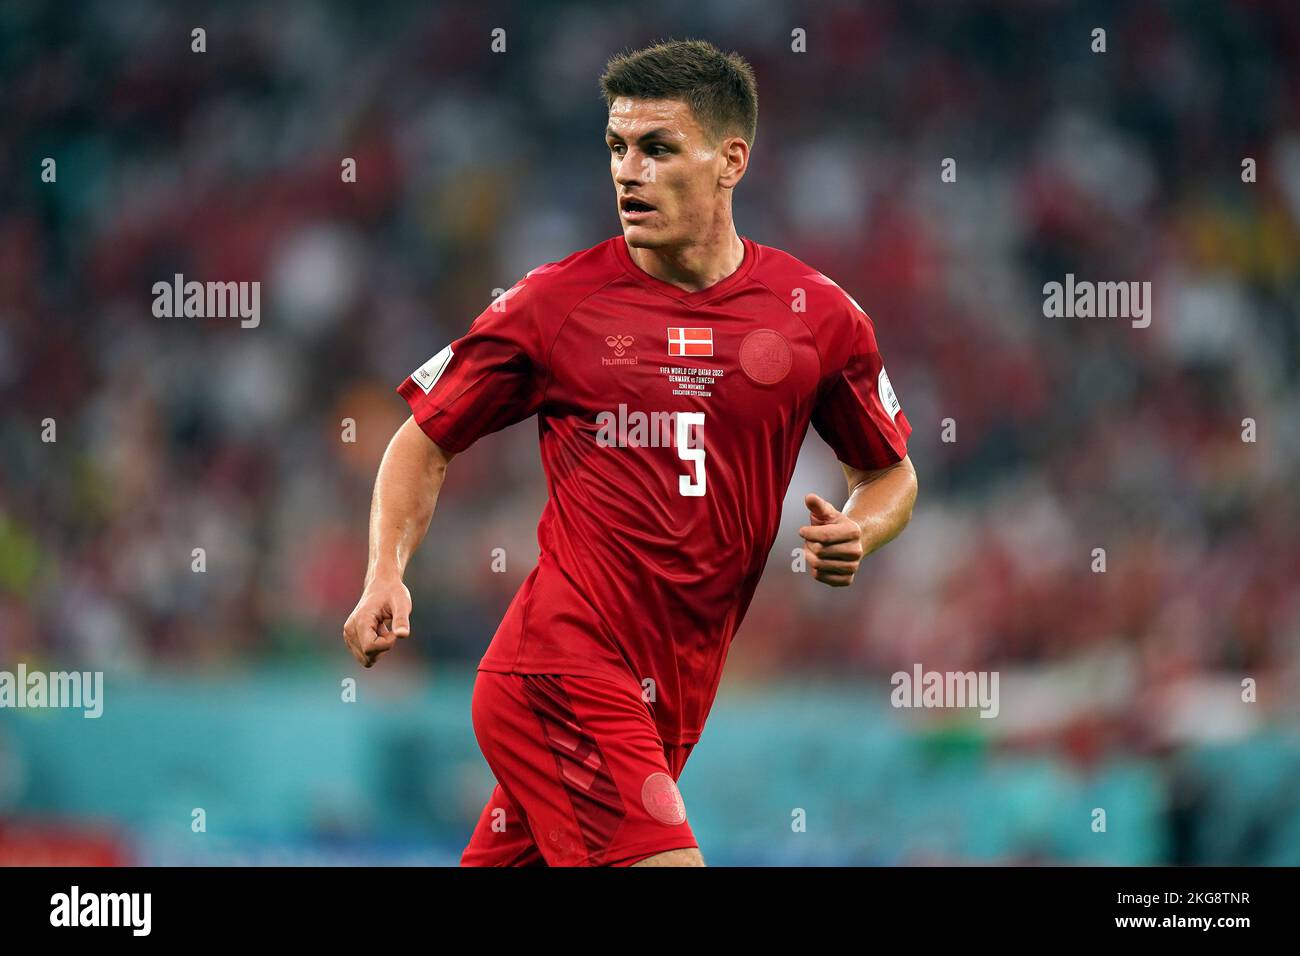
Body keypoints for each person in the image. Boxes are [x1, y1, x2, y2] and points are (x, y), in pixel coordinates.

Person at [343, 39, 918, 867]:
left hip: (668, 704)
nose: (627, 172)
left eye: (656, 149)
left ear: (730, 161)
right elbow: (424, 438)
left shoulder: (816, 316)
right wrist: (385, 571)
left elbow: (890, 470)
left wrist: (861, 530)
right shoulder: (556, 303)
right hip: (559, 672)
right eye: (616, 148)